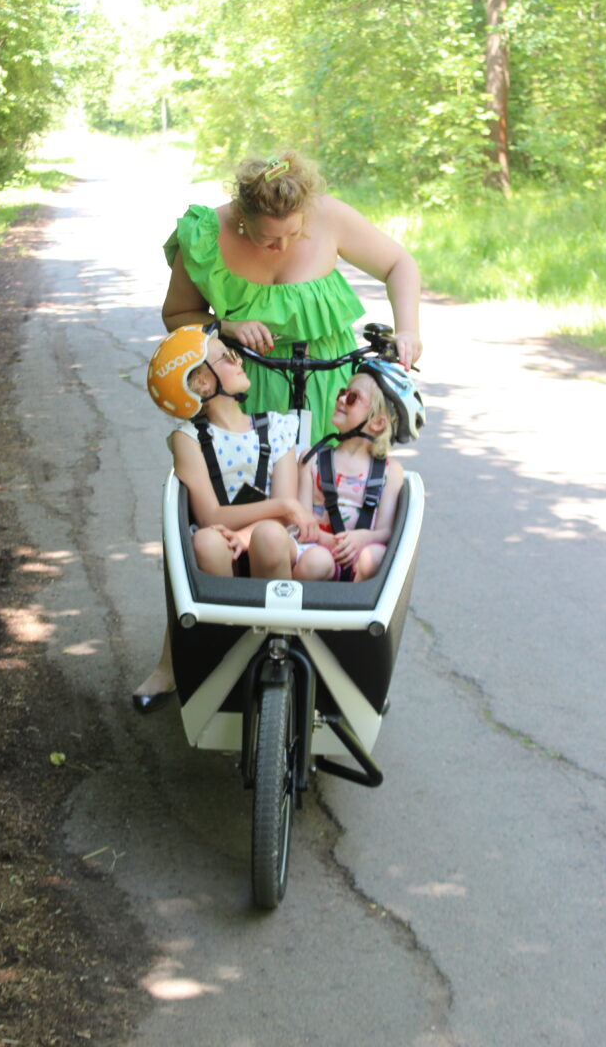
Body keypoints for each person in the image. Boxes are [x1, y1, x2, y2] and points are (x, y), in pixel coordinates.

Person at [160, 150, 422, 441]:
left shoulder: (328, 215)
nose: (282, 246)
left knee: (333, 478)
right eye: (268, 237)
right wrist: (228, 327)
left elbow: (399, 265)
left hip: (333, 386)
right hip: (245, 388)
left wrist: (408, 331)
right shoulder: (205, 235)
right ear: (242, 216)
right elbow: (175, 315)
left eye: (294, 232)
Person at [134, 325, 319, 712]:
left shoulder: (277, 426)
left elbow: (285, 514)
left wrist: (255, 530)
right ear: (202, 382)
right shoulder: (188, 440)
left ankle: (277, 650)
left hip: (272, 540)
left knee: (268, 535)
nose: (237, 359)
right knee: (204, 539)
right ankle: (222, 654)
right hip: (222, 539)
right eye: (225, 357)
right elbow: (211, 515)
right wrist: (282, 507)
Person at [293, 368, 408, 583]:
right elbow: (303, 518)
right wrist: (326, 540)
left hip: (362, 552)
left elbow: (385, 530)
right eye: (342, 392)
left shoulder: (390, 471)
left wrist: (363, 538)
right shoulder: (311, 459)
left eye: (353, 397)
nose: (342, 399)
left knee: (373, 558)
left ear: (377, 423)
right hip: (319, 548)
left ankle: (357, 609)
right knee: (315, 561)